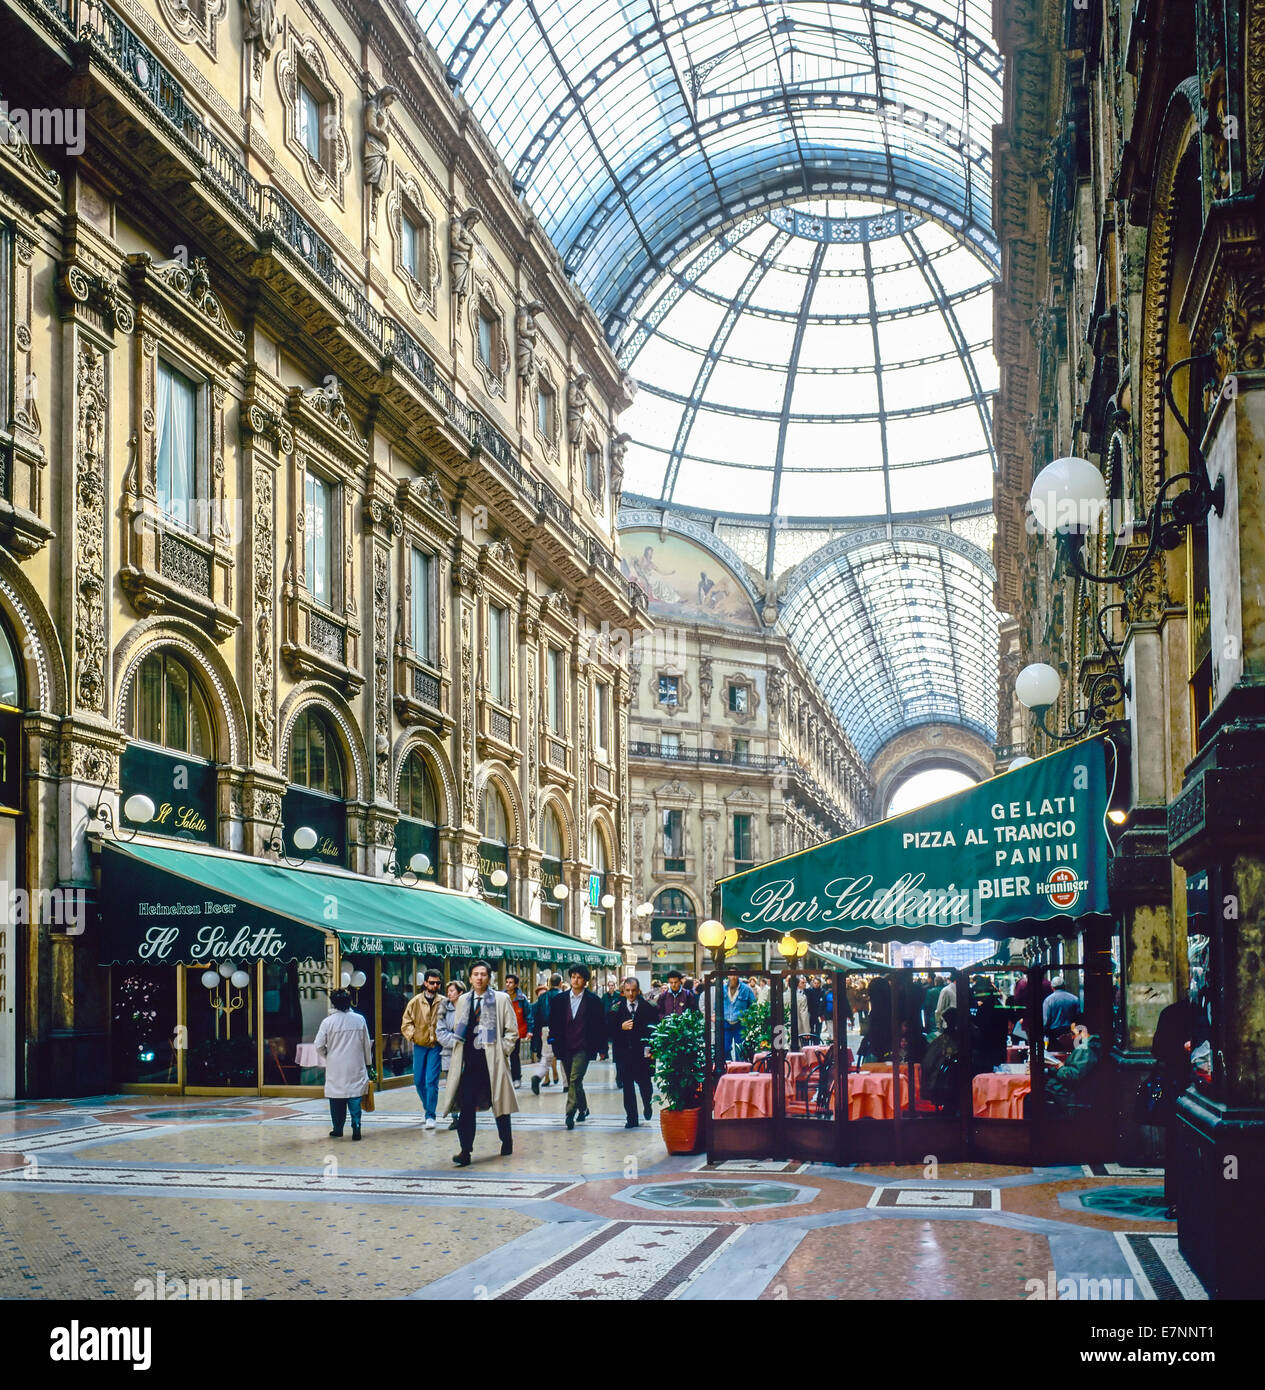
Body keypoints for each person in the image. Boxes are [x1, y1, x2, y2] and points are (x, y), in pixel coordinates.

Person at [440, 960, 519, 1165]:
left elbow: (512, 1031)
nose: (479, 978)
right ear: (469, 978)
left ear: (489, 977)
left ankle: (506, 1140)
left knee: (499, 1103)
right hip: (469, 1062)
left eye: (483, 974)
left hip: (493, 1061)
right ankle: (465, 1150)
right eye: (475, 974)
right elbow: (459, 1029)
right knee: (466, 1105)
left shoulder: (500, 999)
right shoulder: (464, 1000)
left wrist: (503, 1051)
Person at [1151, 993, 1205, 1219]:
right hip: (1182, 1087)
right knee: (1178, 1143)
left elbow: (1157, 1049)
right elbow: (1159, 1050)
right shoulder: (1179, 1014)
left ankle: (1177, 1199)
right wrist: (1181, 1049)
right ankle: (1177, 1199)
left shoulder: (1172, 1012)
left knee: (1176, 1143)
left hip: (1184, 1088)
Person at [547, 963, 607, 1129]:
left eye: (579, 977)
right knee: (576, 1081)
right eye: (573, 976)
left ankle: (569, 1113)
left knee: (574, 1079)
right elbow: (553, 1023)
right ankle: (584, 1108)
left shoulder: (594, 1001)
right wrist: (553, 1041)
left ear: (585, 981)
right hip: (565, 1046)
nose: (575, 980)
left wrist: (602, 1049)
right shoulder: (559, 1000)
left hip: (584, 1046)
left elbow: (600, 1026)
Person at [314, 989, 372, 1140]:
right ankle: (356, 1125)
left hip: (335, 1066)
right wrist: (368, 1064)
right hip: (356, 1065)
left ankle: (337, 1128)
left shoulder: (327, 1022)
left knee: (336, 1098)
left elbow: (318, 1044)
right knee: (355, 1096)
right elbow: (366, 1044)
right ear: (349, 1001)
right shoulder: (359, 1020)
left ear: (333, 1003)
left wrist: (328, 1055)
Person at [401, 968, 445, 1129]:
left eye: (438, 983)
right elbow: (406, 1023)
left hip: (436, 1045)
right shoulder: (415, 1002)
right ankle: (428, 1107)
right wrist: (414, 1036)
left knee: (431, 1080)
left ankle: (430, 1115)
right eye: (432, 982)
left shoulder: (444, 1002)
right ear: (425, 983)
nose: (435, 986)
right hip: (420, 1045)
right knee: (418, 1080)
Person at [609, 977, 656, 1127]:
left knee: (645, 1084)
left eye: (633, 990)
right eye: (627, 991)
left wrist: (652, 1050)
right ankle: (632, 1118)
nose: (630, 994)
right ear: (623, 991)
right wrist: (620, 1027)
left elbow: (654, 1030)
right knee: (627, 1086)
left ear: (638, 990)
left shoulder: (648, 1007)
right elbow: (608, 1030)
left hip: (642, 1053)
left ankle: (647, 1105)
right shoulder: (616, 1008)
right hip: (624, 1054)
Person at [1039, 1013, 1103, 1115]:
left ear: (1083, 1031)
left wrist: (1059, 1066)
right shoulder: (1089, 1047)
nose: (1073, 1038)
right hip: (1072, 1092)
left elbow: (1073, 1076)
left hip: (1070, 1096)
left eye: (1074, 1033)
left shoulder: (1086, 1049)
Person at [530, 973, 564, 1094]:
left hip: (546, 1030)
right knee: (565, 1055)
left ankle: (538, 1076)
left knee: (546, 1056)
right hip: (561, 1029)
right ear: (560, 983)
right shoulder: (563, 996)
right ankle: (567, 1084)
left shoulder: (542, 997)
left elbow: (537, 1015)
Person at [440, 980, 465, 1129]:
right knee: (452, 1088)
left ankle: (465, 1115)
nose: (449, 994)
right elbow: (440, 1032)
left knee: (465, 1087)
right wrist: (457, 1040)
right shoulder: (443, 1010)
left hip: (467, 1055)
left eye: (452, 991)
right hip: (449, 1055)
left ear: (460, 993)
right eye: (448, 991)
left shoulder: (468, 1008)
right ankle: (455, 1117)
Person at [504, 974, 531, 1088]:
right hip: (503, 1030)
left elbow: (528, 1015)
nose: (508, 984)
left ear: (515, 984)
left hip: (516, 1031)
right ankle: (505, 1078)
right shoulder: (501, 996)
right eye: (507, 982)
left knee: (514, 1055)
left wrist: (530, 1030)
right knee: (502, 1056)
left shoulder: (522, 998)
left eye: (510, 982)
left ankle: (516, 1078)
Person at [723, 967, 756, 1061]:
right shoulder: (722, 989)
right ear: (728, 975)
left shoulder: (746, 989)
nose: (733, 977)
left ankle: (740, 1069)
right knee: (725, 1049)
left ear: (738, 975)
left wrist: (748, 1019)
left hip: (740, 1023)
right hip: (726, 1022)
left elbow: (753, 1006)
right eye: (731, 974)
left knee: (740, 1049)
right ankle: (729, 1069)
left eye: (735, 974)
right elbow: (716, 1004)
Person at [1043, 975, 1080, 1044]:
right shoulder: (1074, 999)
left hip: (1054, 1034)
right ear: (1064, 986)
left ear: (1052, 987)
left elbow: (1045, 1021)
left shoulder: (1048, 1000)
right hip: (1070, 1033)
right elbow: (1078, 1018)